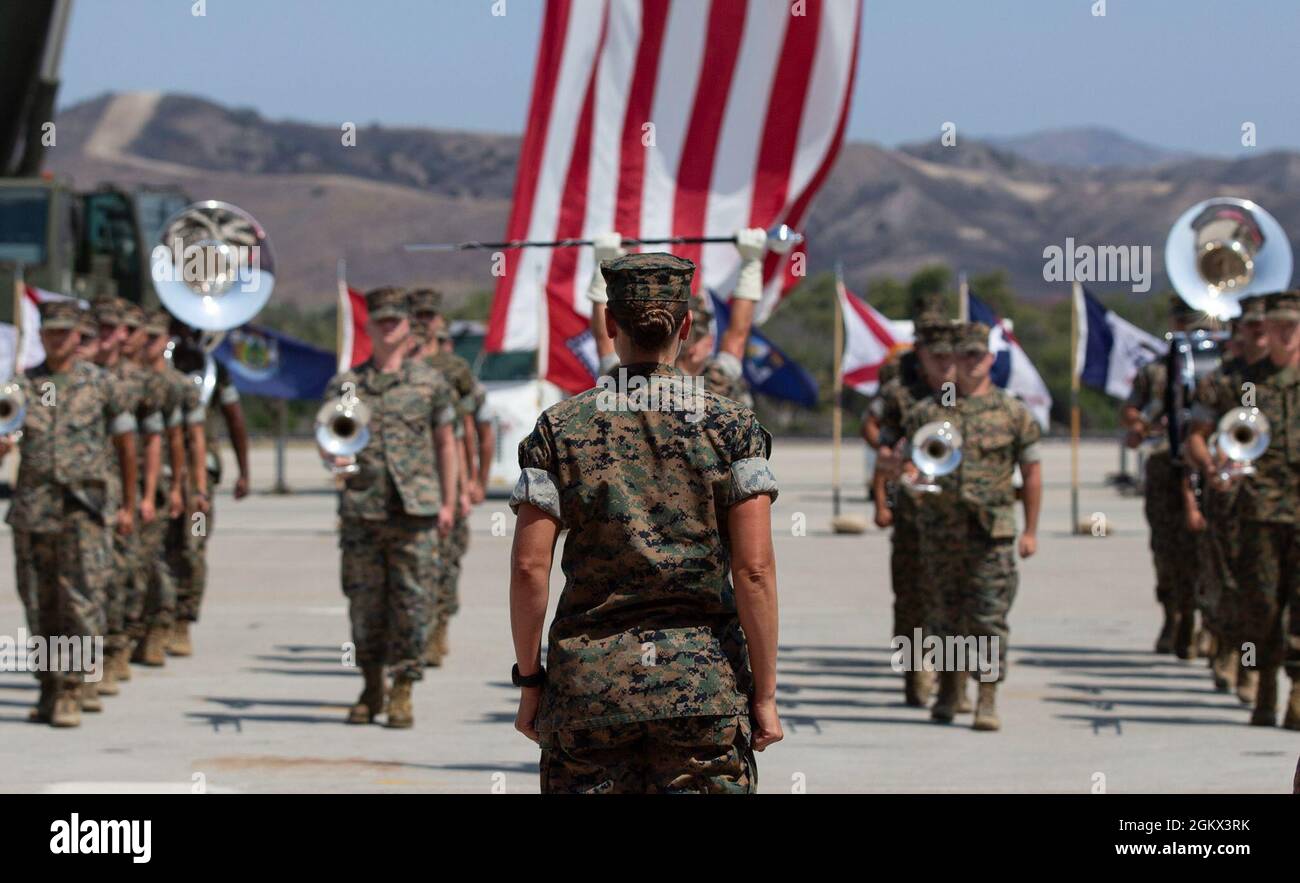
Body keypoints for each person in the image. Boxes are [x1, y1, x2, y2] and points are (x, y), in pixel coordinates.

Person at [509, 253, 782, 793]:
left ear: (611, 325)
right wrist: (766, 695)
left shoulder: (559, 429)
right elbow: (754, 571)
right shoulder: (732, 426)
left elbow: (527, 567)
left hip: (589, 690)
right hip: (703, 686)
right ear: (685, 326)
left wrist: (530, 681)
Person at [320, 287, 458, 728]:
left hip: (415, 509)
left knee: (413, 603)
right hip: (363, 508)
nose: (388, 327)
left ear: (407, 328)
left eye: (395, 321)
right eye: (381, 320)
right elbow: (331, 437)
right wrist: (333, 459)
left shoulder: (429, 382)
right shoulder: (347, 384)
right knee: (364, 604)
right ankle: (370, 683)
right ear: (369, 326)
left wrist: (449, 501)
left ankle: (403, 689)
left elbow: (445, 443)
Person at [1, 301, 136, 727]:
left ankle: (73, 689)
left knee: (82, 602)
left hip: (84, 509)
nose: (58, 339)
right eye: (50, 333)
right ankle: (47, 687)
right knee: (40, 605)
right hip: (34, 511)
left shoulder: (101, 385)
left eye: (65, 333)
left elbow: (126, 445)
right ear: (41, 338)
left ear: (79, 337)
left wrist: (130, 503)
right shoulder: (20, 387)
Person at [902, 322, 1042, 731]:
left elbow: (1031, 472)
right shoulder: (928, 412)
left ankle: (986, 694)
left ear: (990, 359)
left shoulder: (1013, 413)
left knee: (987, 617)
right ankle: (949, 689)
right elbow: (909, 463)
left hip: (991, 533)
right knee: (944, 616)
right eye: (962, 355)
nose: (969, 363)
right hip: (940, 531)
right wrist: (908, 482)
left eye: (977, 355)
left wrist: (1030, 530)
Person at [1185, 290, 1300, 730]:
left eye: (1294, 325)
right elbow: (1199, 432)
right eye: (1278, 326)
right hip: (1260, 513)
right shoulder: (1243, 385)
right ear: (1263, 330)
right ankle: (1265, 687)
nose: (1286, 334)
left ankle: (1298, 696)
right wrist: (1214, 466)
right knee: (1263, 605)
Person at [868, 319, 958, 707]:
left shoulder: (964, 393)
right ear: (920, 354)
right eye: (935, 356)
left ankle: (954, 677)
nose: (944, 363)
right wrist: (891, 468)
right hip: (913, 508)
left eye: (948, 356)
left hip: (958, 510)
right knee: (911, 593)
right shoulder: (899, 393)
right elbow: (880, 437)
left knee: (955, 593)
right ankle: (915, 669)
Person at [1182, 295, 1268, 699]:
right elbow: (1194, 437)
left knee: (1272, 594)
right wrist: (1212, 469)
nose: (1262, 335)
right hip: (1232, 501)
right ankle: (1232, 655)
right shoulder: (1221, 382)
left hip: (1284, 503)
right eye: (1253, 327)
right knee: (1231, 584)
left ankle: (1260, 671)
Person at [587, 228, 767, 406]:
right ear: (686, 329)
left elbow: (604, 341)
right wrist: (751, 264)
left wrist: (603, 267)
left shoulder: (617, 386)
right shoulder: (715, 390)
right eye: (708, 340)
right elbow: (737, 338)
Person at [1120, 296, 1202, 658]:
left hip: (1204, 466)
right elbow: (1131, 411)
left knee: (1208, 548)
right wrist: (1142, 424)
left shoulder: (1217, 370)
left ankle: (1204, 622)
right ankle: (1173, 615)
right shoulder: (1155, 371)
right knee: (1166, 546)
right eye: (1184, 322)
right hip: (1163, 463)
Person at [92, 299, 160, 689]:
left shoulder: (135, 384)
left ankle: (116, 646)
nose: (107, 336)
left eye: (113, 328)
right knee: (86, 584)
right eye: (97, 328)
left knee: (122, 575)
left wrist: (144, 496)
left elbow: (153, 441)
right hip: (81, 499)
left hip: (120, 493)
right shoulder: (72, 379)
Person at [408, 289, 477, 666]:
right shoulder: (398, 368)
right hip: (412, 483)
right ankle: (416, 630)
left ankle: (438, 627)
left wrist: (468, 481)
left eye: (428, 316)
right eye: (416, 315)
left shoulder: (452, 370)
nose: (423, 322)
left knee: (447, 560)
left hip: (446, 477)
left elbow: (464, 428)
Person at [174, 332, 251, 650]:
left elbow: (235, 418)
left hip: (200, 472)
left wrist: (244, 470)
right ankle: (154, 622)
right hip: (160, 468)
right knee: (156, 549)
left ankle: (183, 621)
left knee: (193, 545)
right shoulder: (157, 364)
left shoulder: (215, 369)